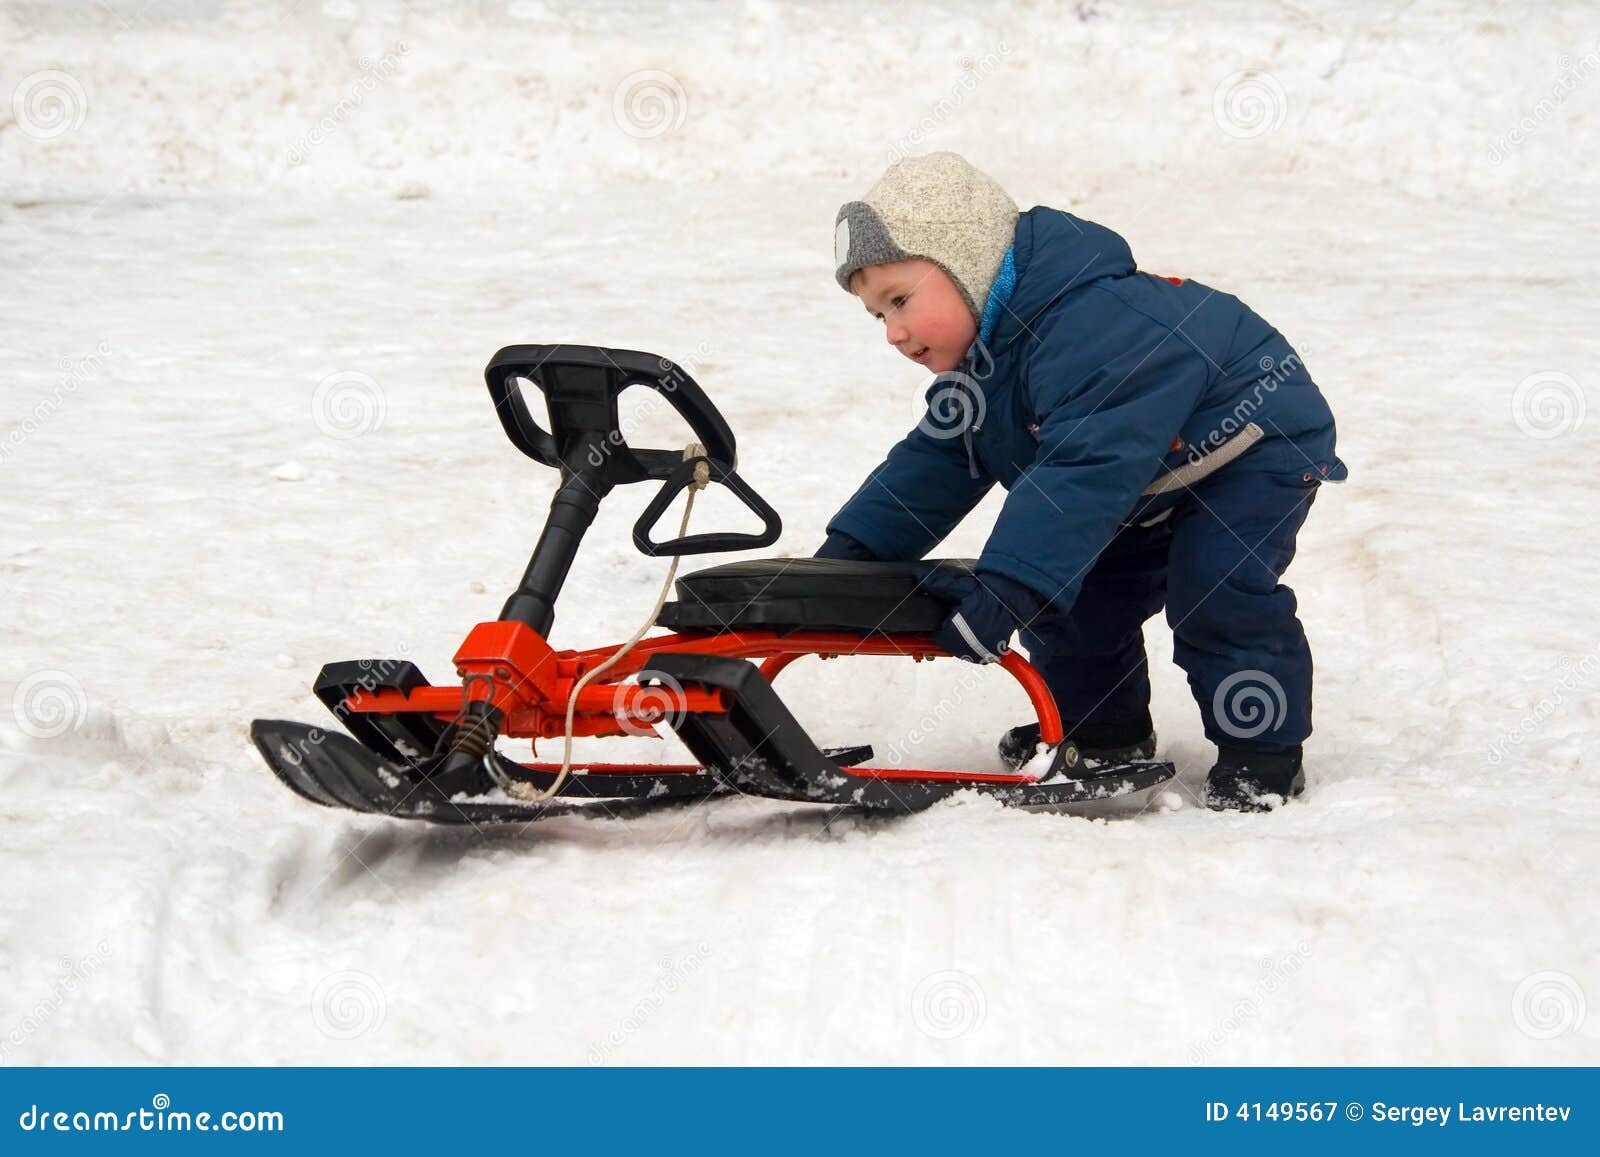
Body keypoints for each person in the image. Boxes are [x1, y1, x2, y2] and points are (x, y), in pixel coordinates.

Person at [817, 152, 1346, 812]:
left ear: (968, 263)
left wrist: (1008, 583)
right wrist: (851, 560)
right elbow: (937, 462)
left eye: (900, 301)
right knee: (1078, 597)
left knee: (1214, 587)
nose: (893, 333)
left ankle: (1262, 754)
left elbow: (1083, 469)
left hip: (1248, 443)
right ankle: (1104, 733)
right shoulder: (986, 360)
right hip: (1145, 472)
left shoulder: (1093, 325)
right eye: (877, 315)